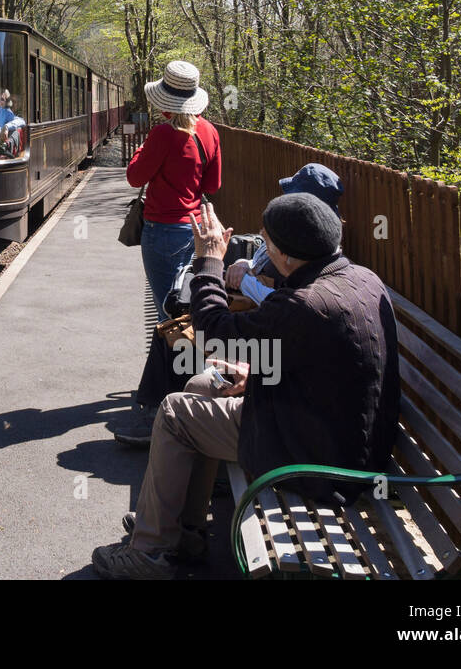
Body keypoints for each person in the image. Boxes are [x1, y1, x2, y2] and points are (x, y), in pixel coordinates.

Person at [91, 196, 400, 580]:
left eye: (267, 243)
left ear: (286, 256)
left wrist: (209, 262)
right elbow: (326, 363)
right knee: (203, 384)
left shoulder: (306, 304)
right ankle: (183, 531)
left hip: (320, 461)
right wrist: (255, 373)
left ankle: (150, 552)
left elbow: (214, 334)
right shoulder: (359, 279)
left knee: (174, 412)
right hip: (335, 433)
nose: (263, 250)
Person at [112, 60, 221, 448]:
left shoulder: (161, 135)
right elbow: (213, 182)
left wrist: (144, 151)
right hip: (196, 231)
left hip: (162, 232)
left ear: (166, 103)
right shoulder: (209, 132)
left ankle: (166, 407)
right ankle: (190, 389)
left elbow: (134, 177)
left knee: (169, 319)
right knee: (188, 311)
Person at [225, 163, 345, 305]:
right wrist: (244, 264)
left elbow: (292, 305)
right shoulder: (293, 227)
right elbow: (262, 257)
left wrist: (245, 282)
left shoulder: (315, 245)